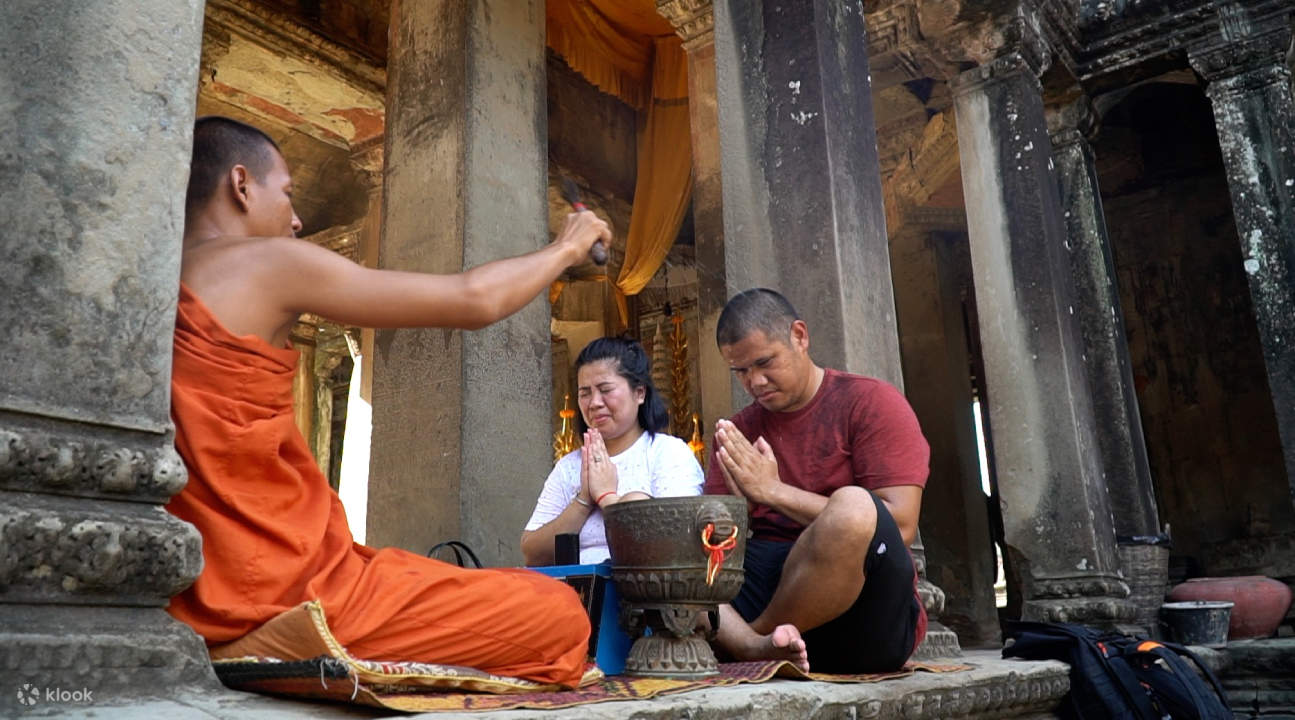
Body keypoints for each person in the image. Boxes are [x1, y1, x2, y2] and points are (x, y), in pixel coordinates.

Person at [166, 116, 613, 688]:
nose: (296, 220)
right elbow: (473, 299)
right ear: (240, 185)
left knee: (417, 573)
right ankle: (285, 641)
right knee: (556, 610)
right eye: (288, 193)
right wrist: (566, 246)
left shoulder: (158, 283)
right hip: (284, 589)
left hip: (196, 586)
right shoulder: (267, 261)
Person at [703, 288, 930, 674]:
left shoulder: (871, 402)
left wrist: (774, 492)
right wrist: (740, 511)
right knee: (674, 546)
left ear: (799, 336)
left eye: (764, 362)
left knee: (855, 508)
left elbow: (902, 526)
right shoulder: (739, 431)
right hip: (768, 580)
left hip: (860, 619)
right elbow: (713, 547)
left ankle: (752, 644)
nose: (755, 381)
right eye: (740, 371)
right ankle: (755, 645)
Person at [521, 337, 703, 565]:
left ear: (639, 393)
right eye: (585, 393)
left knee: (637, 500)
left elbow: (676, 540)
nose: (594, 402)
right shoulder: (569, 466)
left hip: (642, 584)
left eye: (605, 390)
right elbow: (532, 552)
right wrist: (584, 500)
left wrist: (607, 497)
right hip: (572, 585)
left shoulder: (668, 453)